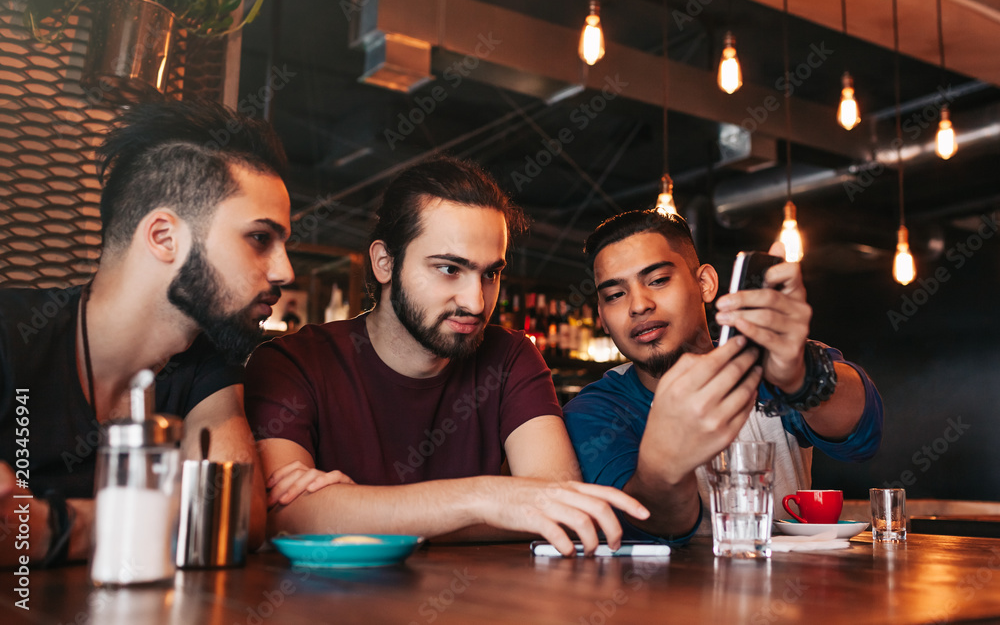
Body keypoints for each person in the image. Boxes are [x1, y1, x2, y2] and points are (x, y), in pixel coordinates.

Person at [245, 157, 648, 556]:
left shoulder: (510, 357)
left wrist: (357, 512)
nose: (475, 302)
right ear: (385, 263)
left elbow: (555, 508)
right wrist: (484, 497)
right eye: (450, 269)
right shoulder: (293, 364)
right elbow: (285, 517)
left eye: (490, 273)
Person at [0, 100, 294, 566]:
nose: (285, 271)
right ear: (163, 237)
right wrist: (164, 520)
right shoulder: (10, 334)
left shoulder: (206, 361)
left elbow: (239, 516)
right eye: (260, 238)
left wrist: (63, 527)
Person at [563, 210, 883, 542]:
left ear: (705, 284)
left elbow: (863, 431)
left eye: (658, 280)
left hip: (789, 589)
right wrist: (662, 464)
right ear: (602, 316)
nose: (638, 305)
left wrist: (800, 375)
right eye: (615, 295)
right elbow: (649, 523)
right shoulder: (594, 411)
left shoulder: (774, 363)